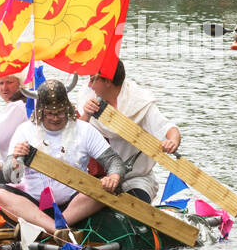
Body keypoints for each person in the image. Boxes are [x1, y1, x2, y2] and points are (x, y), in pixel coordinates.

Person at [0, 78, 127, 237]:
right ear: (40, 110)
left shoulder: (84, 130)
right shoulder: (25, 130)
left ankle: (51, 229)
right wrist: (14, 161)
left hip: (74, 203)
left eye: (60, 112)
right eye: (50, 113)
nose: (55, 118)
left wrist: (114, 177)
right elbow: (11, 177)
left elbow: (114, 161)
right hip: (34, 203)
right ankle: (56, 230)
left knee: (110, 190)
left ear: (67, 108)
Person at [76, 59, 180, 203]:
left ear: (107, 81)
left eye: (93, 80)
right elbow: (75, 139)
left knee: (132, 213)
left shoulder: (138, 102)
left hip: (135, 178)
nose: (89, 85)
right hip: (99, 178)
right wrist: (86, 115)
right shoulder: (89, 98)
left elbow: (168, 128)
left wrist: (172, 141)